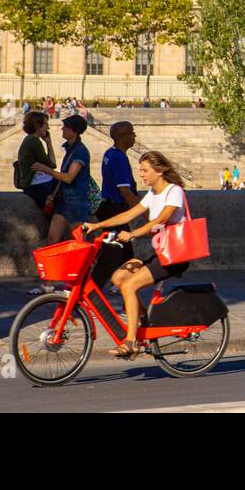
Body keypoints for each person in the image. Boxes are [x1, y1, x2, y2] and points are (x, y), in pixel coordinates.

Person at [84, 151, 193, 358]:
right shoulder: (153, 193)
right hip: (162, 253)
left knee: (129, 285)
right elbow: (129, 214)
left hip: (175, 257)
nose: (141, 175)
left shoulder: (174, 191)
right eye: (140, 170)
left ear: (159, 171)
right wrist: (97, 225)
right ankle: (143, 318)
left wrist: (132, 234)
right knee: (118, 278)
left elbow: (160, 220)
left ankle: (131, 341)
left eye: (145, 170)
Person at [32, 114, 95, 249]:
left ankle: (84, 268)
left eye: (65, 127)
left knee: (80, 243)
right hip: (63, 202)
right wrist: (53, 195)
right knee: (52, 240)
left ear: (74, 131)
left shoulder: (80, 151)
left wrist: (46, 169)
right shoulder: (70, 149)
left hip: (76, 203)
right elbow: (64, 179)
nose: (62, 129)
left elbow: (68, 177)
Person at [16, 111, 59, 295]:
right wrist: (49, 143)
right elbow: (52, 164)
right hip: (38, 186)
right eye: (45, 125)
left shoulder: (31, 141)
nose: (47, 128)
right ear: (37, 126)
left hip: (37, 184)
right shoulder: (33, 141)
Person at [98, 121, 141, 274]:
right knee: (121, 253)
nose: (134, 136)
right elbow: (125, 191)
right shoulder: (118, 158)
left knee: (117, 251)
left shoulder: (110, 153)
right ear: (123, 137)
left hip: (109, 207)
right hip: (115, 210)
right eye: (132, 133)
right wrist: (141, 211)